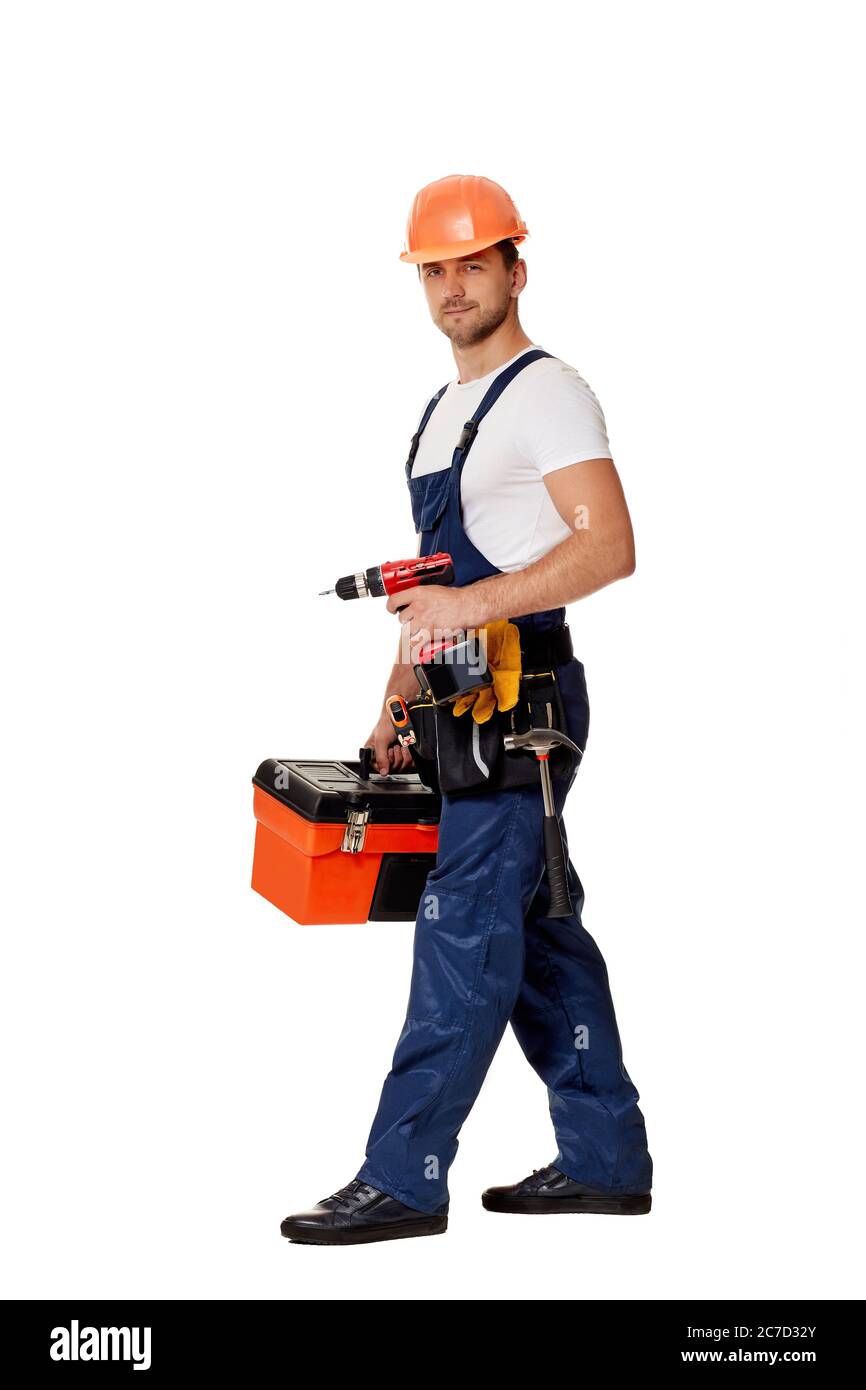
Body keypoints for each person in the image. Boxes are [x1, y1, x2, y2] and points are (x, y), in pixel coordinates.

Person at [281, 174, 653, 1245]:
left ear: (513, 269)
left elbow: (608, 547)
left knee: (459, 935)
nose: (452, 286)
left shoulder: (548, 393)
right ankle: (605, 1159)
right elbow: (431, 586)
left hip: (521, 698)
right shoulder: (439, 410)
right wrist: (393, 706)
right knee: (536, 929)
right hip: (455, 694)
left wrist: (465, 609)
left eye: (472, 264)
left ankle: (402, 1176)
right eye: (434, 269)